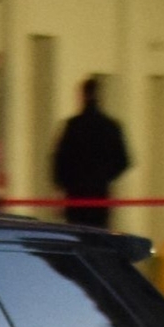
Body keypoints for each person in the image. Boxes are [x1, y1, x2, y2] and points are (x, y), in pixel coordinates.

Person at [52, 78, 131, 229]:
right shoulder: (111, 126)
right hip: (99, 194)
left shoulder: (73, 126)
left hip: (75, 195)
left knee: (76, 234)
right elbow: (123, 161)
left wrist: (62, 187)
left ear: (82, 95)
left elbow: (59, 160)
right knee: (99, 235)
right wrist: (104, 176)